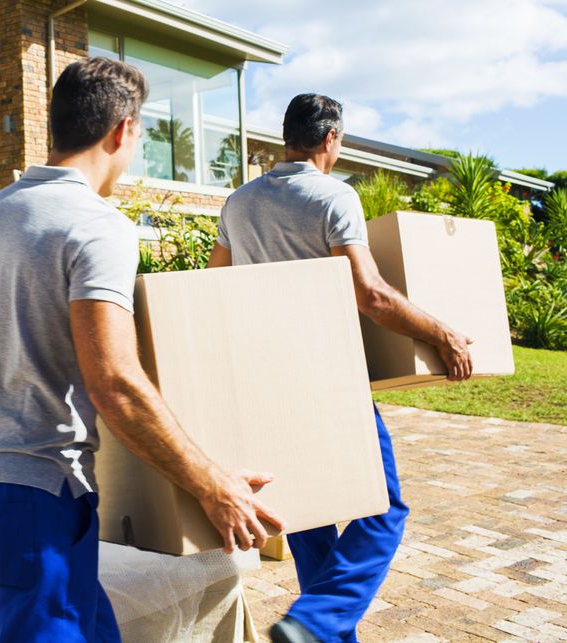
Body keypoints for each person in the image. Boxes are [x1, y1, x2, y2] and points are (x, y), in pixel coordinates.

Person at [0, 56, 285, 642]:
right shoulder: (96, 225)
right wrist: (212, 484)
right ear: (123, 130)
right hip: (35, 493)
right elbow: (115, 382)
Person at [207, 93, 473, 643]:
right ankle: (315, 620)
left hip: (265, 378)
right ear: (331, 138)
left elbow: (214, 286)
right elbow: (370, 294)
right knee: (385, 507)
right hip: (327, 378)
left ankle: (318, 631)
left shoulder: (238, 203)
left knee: (310, 512)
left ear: (287, 137)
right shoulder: (334, 196)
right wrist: (441, 335)